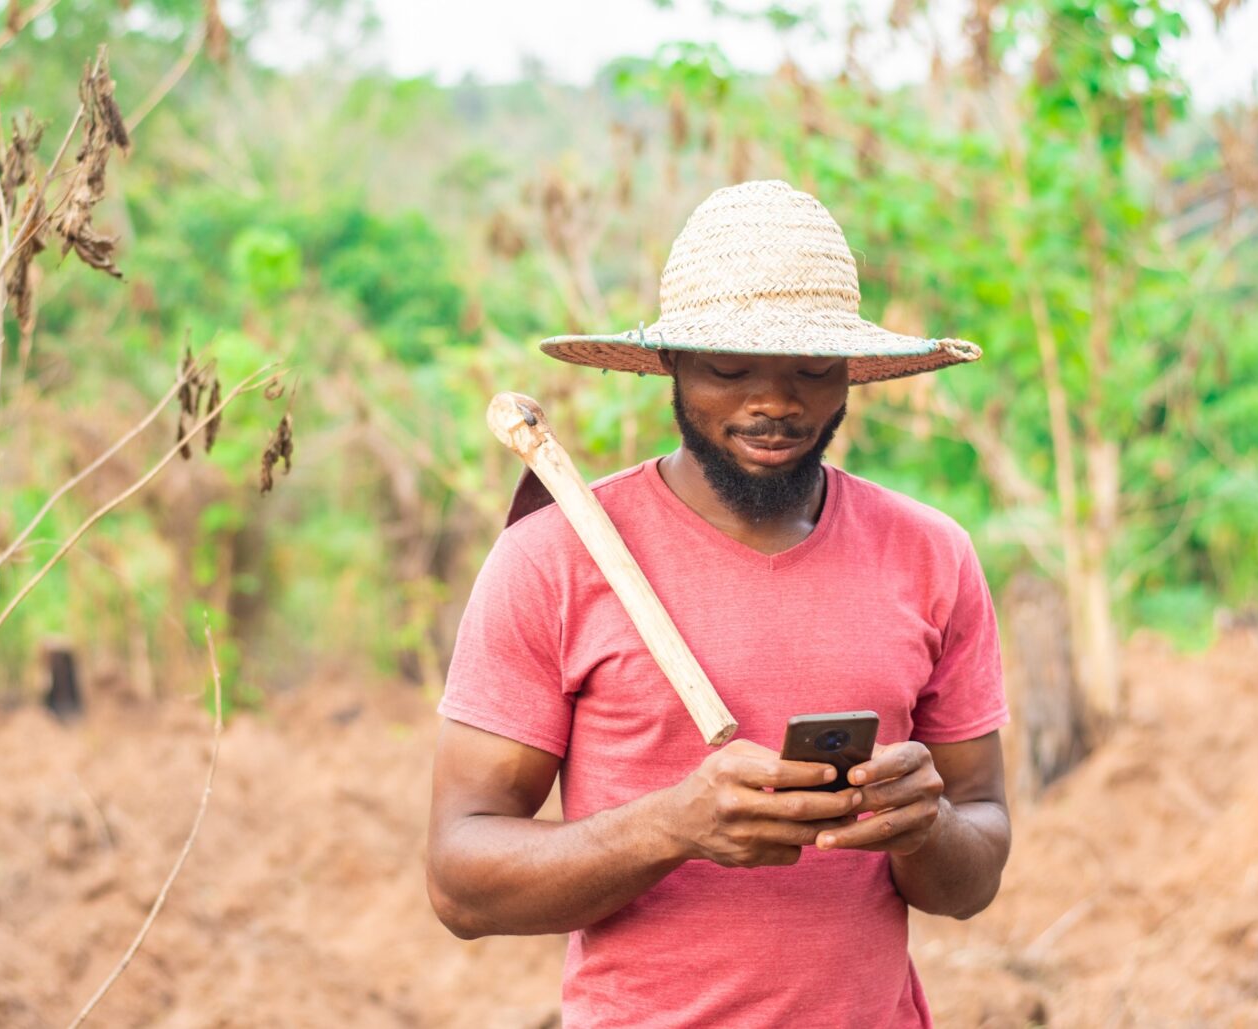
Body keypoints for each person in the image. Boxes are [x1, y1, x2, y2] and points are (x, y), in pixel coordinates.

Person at [426, 180, 1011, 1027]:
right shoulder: (554, 558)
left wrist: (927, 827)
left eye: (811, 368)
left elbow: (977, 868)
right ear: (669, 360)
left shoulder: (930, 555)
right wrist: (675, 825)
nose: (774, 402)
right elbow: (459, 880)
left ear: (850, 369)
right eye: (729, 366)